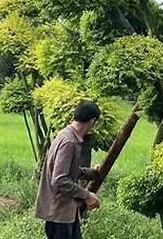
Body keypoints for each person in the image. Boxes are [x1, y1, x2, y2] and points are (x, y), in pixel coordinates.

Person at [35, 100, 101, 239]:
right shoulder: (69, 142)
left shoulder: (66, 135)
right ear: (92, 121)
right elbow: (59, 179)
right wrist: (87, 195)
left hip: (65, 212)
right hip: (59, 214)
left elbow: (69, 171)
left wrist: (92, 173)